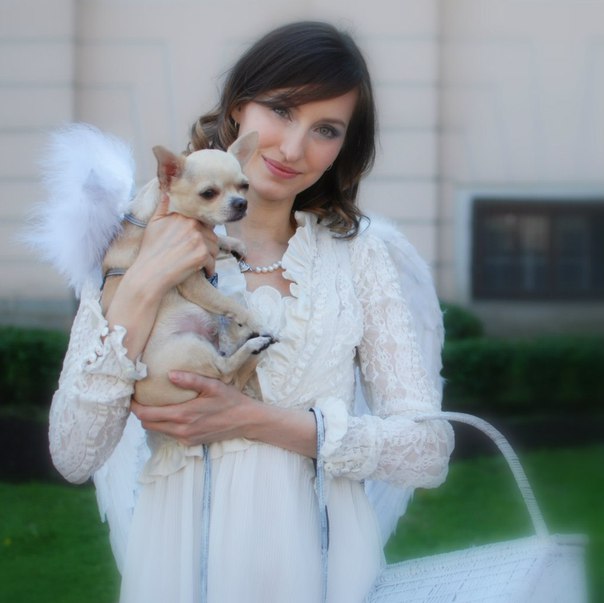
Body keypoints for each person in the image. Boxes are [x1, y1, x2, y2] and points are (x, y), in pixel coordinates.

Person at [48, 20, 454, 603]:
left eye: (326, 129)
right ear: (240, 106)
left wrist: (254, 420)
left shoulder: (358, 255)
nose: (292, 148)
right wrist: (144, 281)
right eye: (282, 111)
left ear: (345, 146)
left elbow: (427, 450)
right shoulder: (137, 234)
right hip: (184, 562)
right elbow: (73, 452)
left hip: (325, 562)